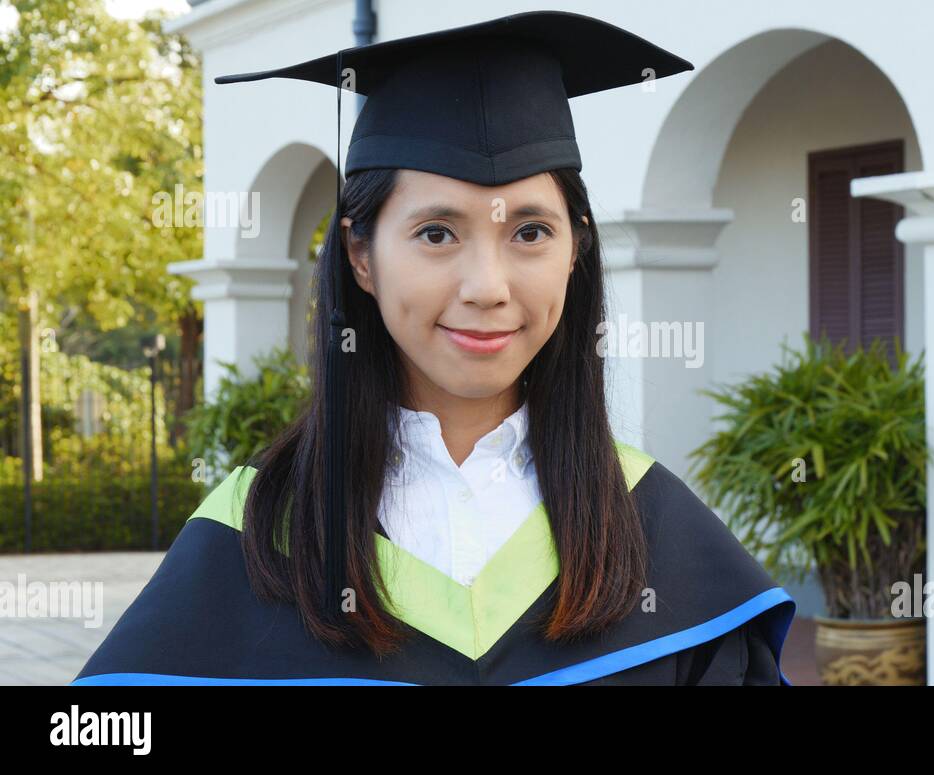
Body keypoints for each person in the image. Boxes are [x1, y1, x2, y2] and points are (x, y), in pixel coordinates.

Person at [72, 10, 795, 686]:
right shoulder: (256, 534)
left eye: (531, 232)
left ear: (576, 248)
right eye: (436, 233)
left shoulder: (657, 534)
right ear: (361, 253)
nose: (487, 286)